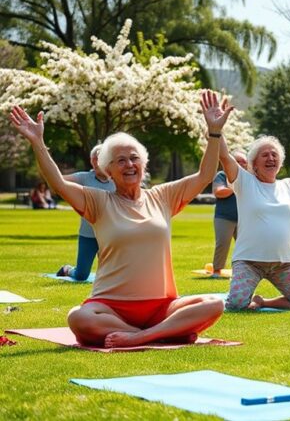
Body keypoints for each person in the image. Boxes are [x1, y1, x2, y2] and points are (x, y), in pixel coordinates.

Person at [8, 90, 231, 347]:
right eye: (121, 160)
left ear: (143, 165)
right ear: (108, 170)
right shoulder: (99, 201)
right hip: (111, 308)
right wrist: (38, 142)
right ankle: (164, 332)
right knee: (78, 318)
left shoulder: (163, 196)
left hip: (162, 305)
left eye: (134, 158)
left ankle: (141, 336)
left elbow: (205, 176)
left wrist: (214, 132)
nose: (129, 165)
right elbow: (57, 183)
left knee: (214, 303)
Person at [219, 120, 290, 311]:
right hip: (249, 261)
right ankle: (247, 298)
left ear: (280, 163)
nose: (270, 158)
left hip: (283, 263)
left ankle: (262, 301)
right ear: (254, 164)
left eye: (274, 155)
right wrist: (216, 130)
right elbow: (224, 156)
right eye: (265, 155)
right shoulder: (244, 182)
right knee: (236, 305)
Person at [56, 144, 116, 281]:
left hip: (109, 234)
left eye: (99, 158)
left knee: (110, 276)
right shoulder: (83, 177)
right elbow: (58, 181)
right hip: (88, 234)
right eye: (93, 159)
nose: (95, 162)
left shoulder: (117, 179)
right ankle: (67, 269)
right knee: (81, 276)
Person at [209, 150, 248, 278]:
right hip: (224, 217)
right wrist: (234, 186)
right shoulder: (222, 175)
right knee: (223, 244)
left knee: (245, 246)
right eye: (238, 161)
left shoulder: (249, 177)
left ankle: (245, 271)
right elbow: (218, 192)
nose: (241, 164)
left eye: (244, 162)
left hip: (244, 218)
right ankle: (217, 271)